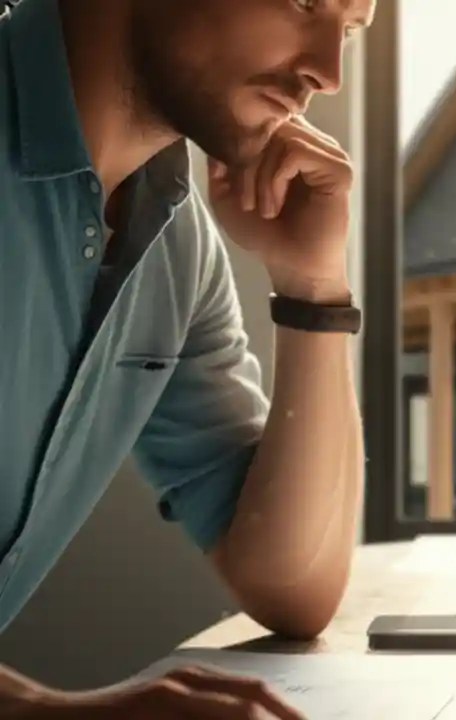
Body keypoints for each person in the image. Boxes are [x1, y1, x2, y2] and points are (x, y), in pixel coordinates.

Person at [0, 0, 372, 716]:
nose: (326, 74)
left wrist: (314, 287)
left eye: (351, 31)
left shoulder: (176, 245)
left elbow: (291, 586)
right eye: (303, 3)